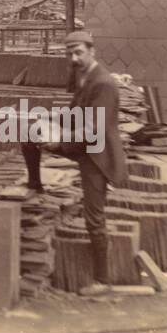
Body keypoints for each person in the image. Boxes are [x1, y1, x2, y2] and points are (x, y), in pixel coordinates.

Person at [43, 30, 127, 296]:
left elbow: (94, 132)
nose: (74, 57)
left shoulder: (102, 83)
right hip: (85, 147)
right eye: (69, 53)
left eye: (78, 51)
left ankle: (102, 281)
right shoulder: (83, 76)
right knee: (30, 135)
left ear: (92, 51)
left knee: (94, 217)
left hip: (98, 156)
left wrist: (58, 144)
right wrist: (49, 123)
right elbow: (74, 113)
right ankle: (35, 184)